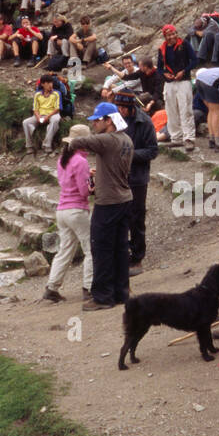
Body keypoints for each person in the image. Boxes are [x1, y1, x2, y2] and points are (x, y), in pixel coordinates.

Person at [68, 103, 134, 310]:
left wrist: (69, 139)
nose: (94, 124)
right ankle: (121, 293)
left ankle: (103, 297)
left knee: (102, 249)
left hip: (108, 203)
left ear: (109, 120)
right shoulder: (126, 140)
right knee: (120, 248)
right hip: (124, 198)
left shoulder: (107, 140)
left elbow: (77, 142)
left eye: (97, 120)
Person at [43, 123, 94, 304]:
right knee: (91, 249)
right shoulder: (81, 161)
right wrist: (92, 182)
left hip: (62, 209)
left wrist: (88, 175)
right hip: (77, 210)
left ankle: (52, 287)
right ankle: (89, 287)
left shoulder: (62, 159)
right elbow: (84, 191)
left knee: (65, 250)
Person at [113, 86, 158, 275]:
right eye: (118, 107)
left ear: (130, 106)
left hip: (138, 177)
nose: (120, 111)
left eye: (122, 108)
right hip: (119, 174)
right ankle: (123, 253)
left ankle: (138, 257)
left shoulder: (144, 123)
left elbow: (152, 151)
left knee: (137, 216)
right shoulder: (117, 120)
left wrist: (129, 154)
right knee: (120, 215)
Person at [194, 65, 219, 151]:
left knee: (211, 111)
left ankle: (212, 139)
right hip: (209, 82)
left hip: (199, 81)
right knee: (216, 112)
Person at [23, 75, 62, 153]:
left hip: (52, 114)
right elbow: (35, 109)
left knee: (55, 120)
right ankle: (29, 146)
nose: (50, 85)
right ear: (42, 84)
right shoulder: (37, 94)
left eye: (51, 82)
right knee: (26, 122)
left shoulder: (56, 93)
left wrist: (47, 117)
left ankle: (47, 145)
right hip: (40, 115)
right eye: (47, 83)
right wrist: (38, 118)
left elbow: (57, 109)